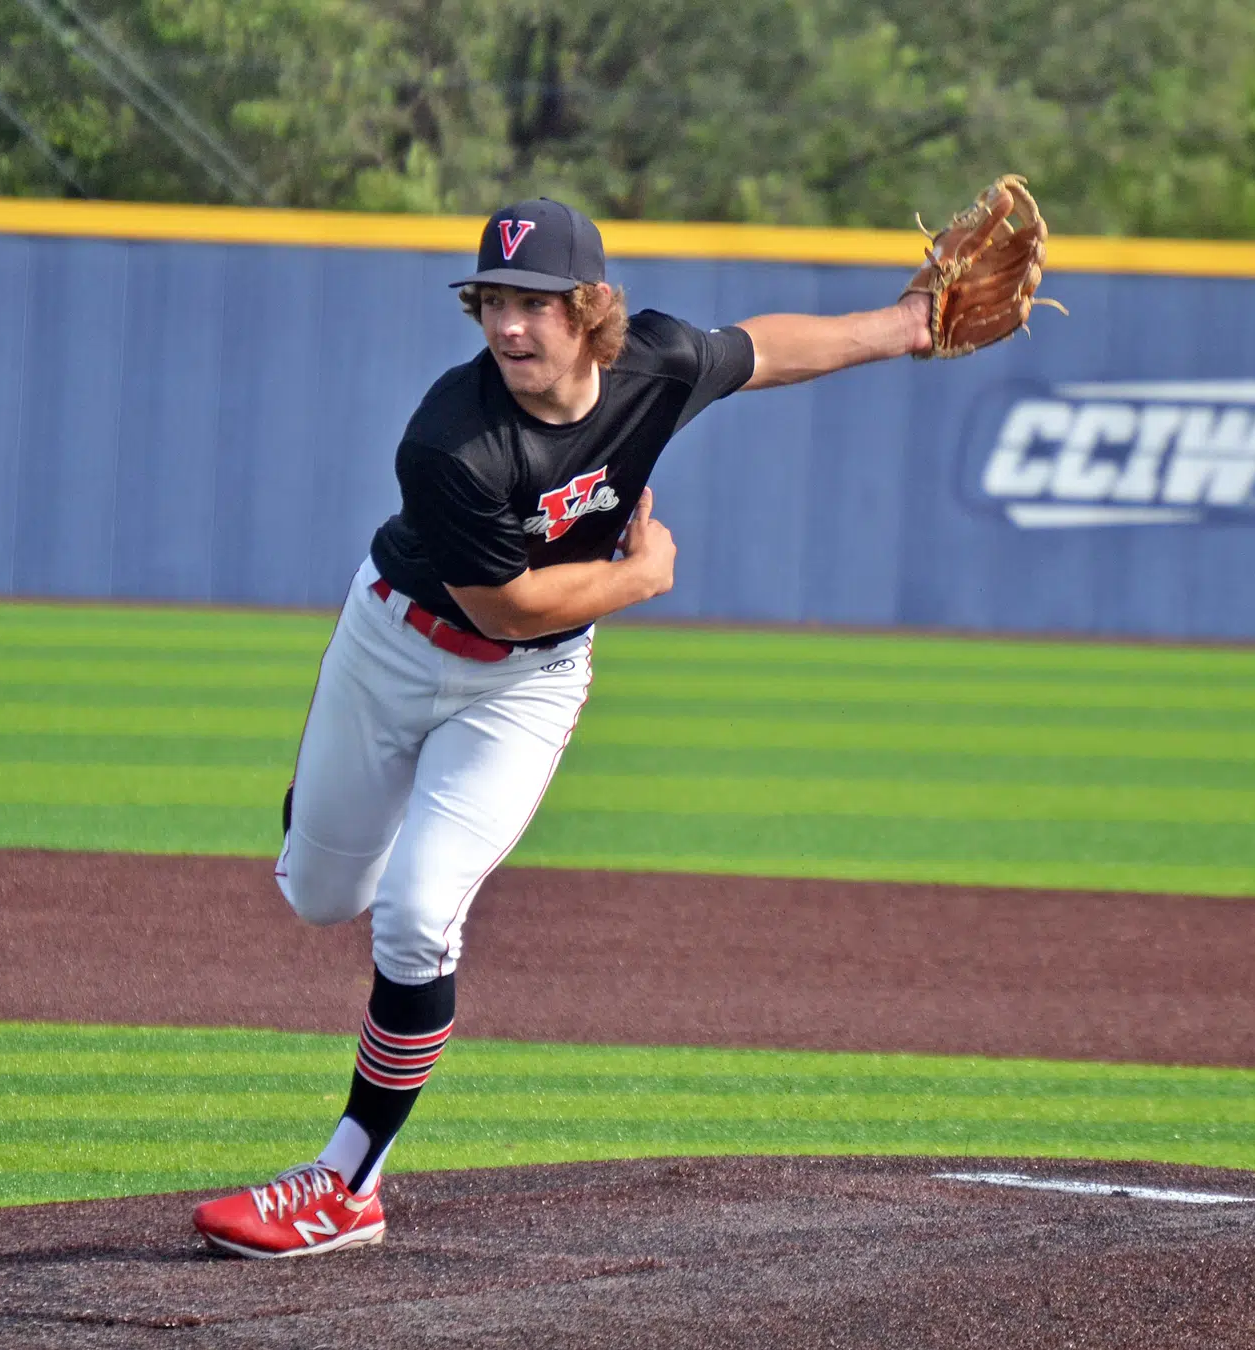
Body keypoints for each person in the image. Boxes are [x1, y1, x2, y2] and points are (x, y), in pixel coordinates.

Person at [190, 197, 955, 1258]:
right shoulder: (451, 442)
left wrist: (907, 326)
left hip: (522, 695)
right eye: (493, 301)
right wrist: (637, 577)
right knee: (322, 896)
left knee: (416, 918)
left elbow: (768, 352)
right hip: (393, 645)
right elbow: (505, 604)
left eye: (535, 303)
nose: (509, 326)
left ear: (589, 307)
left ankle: (344, 1181)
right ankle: (338, 812)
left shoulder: (658, 366)